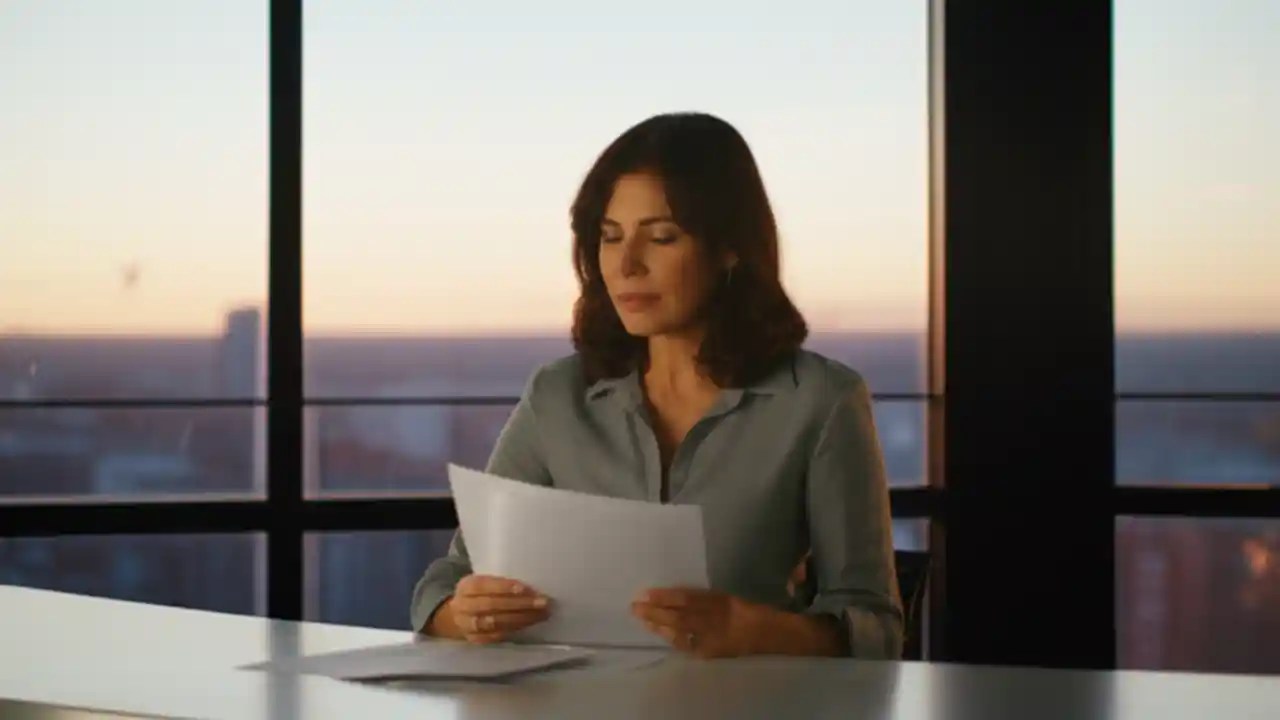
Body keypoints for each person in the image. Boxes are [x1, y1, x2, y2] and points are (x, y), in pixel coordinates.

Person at [410, 112, 903, 658]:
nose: (626, 265)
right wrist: (466, 615)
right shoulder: (557, 395)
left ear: (729, 247)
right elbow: (449, 580)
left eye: (661, 237)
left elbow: (877, 628)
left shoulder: (821, 399)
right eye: (610, 237)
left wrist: (756, 631)